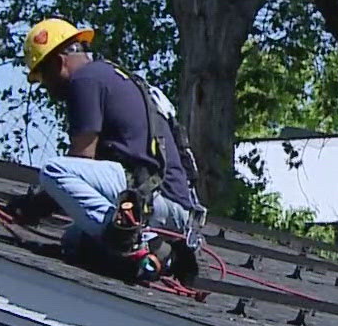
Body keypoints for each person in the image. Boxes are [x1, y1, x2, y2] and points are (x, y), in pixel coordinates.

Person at [14, 18, 204, 282]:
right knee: (73, 239)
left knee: (54, 171)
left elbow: (82, 158)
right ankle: (160, 252)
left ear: (58, 62)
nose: (46, 87)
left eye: (43, 76)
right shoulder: (113, 76)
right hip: (175, 211)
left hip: (153, 198)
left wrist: (34, 205)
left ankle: (130, 241)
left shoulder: (85, 80)